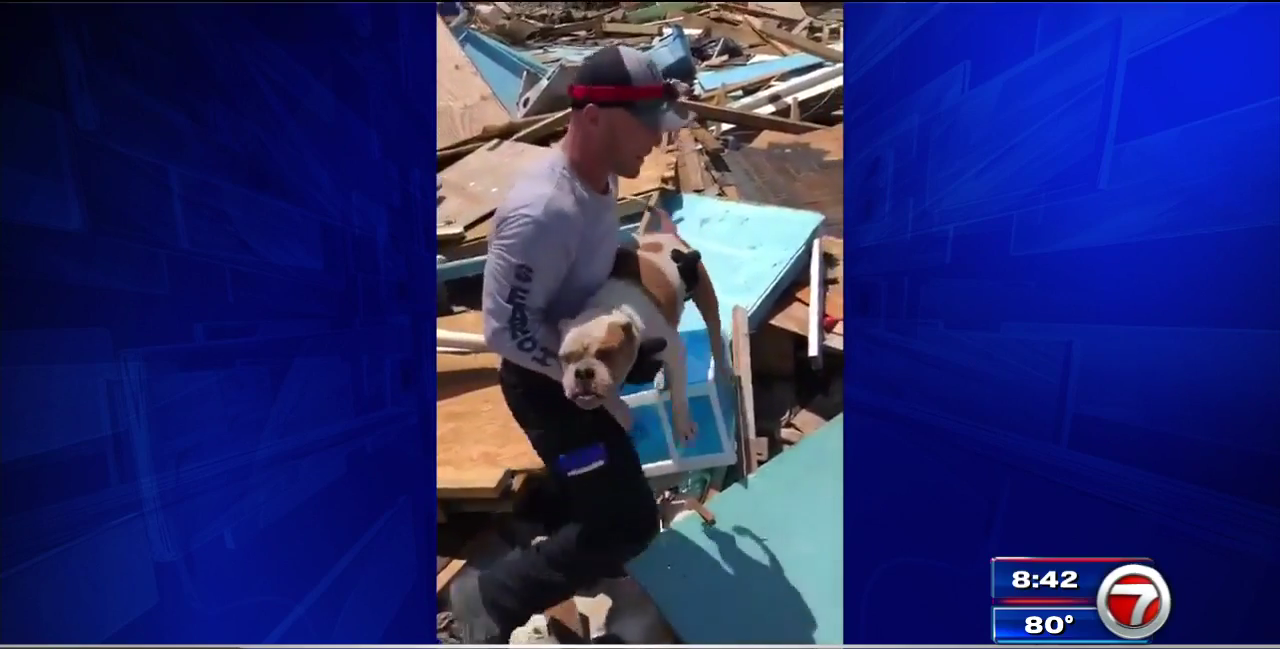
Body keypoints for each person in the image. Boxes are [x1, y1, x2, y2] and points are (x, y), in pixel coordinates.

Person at [446, 46, 697, 644]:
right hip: (548, 388)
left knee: (608, 484)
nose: (656, 144)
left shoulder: (603, 175)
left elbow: (590, 260)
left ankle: (568, 531)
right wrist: (594, 387)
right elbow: (503, 329)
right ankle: (489, 596)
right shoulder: (542, 212)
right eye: (645, 126)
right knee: (629, 521)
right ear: (591, 118)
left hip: (582, 361)